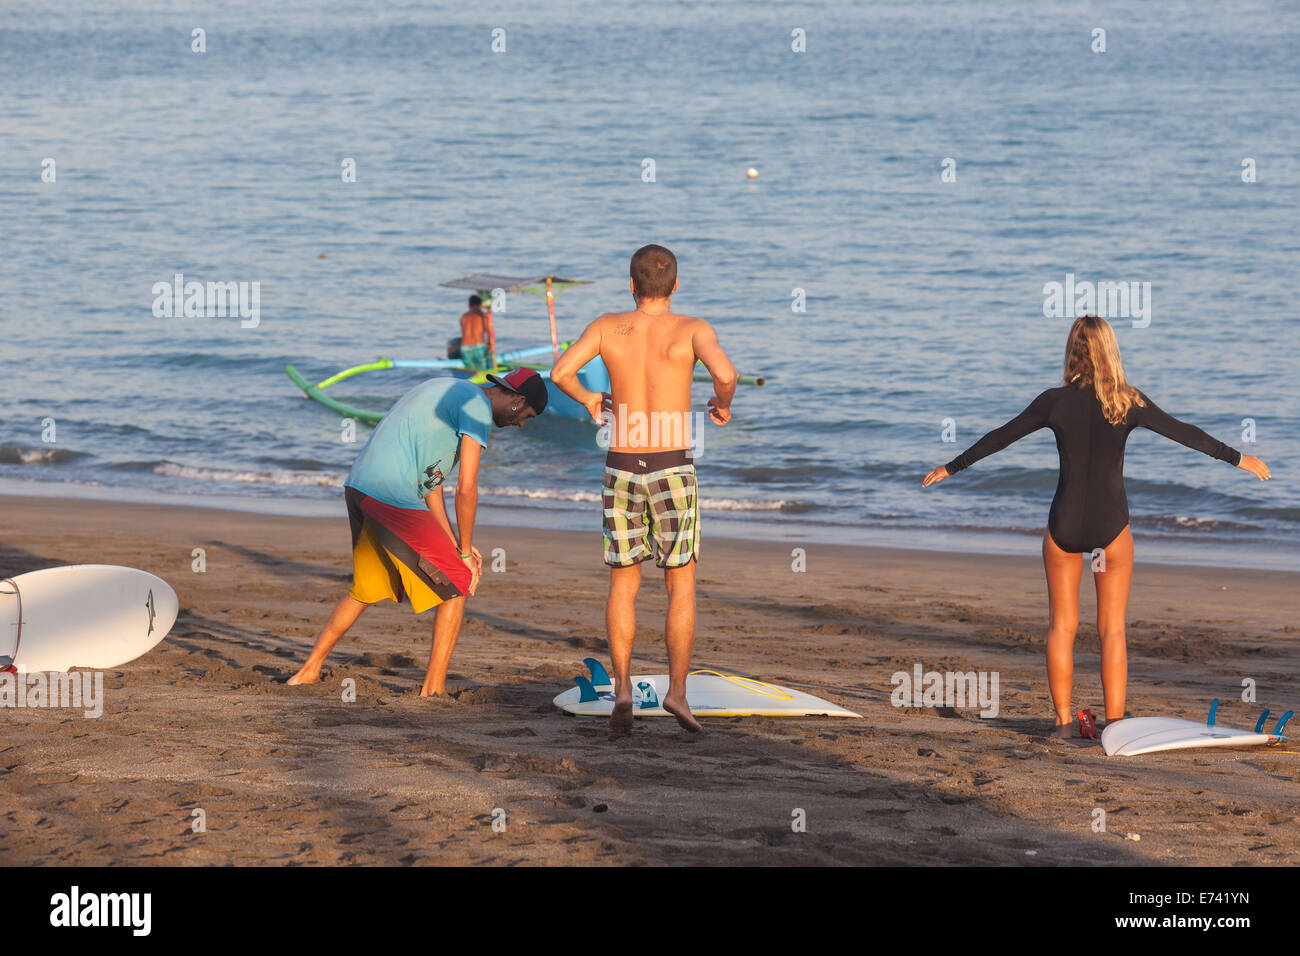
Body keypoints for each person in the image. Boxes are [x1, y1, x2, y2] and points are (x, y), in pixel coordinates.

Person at [923, 314, 1270, 737]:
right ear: (1110, 350)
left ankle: (1065, 723)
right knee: (1112, 630)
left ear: (1072, 351)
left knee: (1061, 627)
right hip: (1110, 529)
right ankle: (1116, 725)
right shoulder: (1127, 401)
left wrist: (952, 466)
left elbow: (1001, 436)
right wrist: (1239, 458)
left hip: (1064, 526)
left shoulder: (1052, 401)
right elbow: (1185, 434)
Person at [551, 244, 738, 733]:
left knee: (624, 583)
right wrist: (721, 403)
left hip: (621, 468)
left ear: (630, 285)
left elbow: (559, 373)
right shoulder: (693, 329)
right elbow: (727, 373)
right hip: (672, 468)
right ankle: (676, 693)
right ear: (676, 285)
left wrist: (591, 398)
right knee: (680, 586)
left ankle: (625, 688)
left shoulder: (607, 326)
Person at [287, 368, 549, 695]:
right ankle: (433, 689)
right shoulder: (477, 408)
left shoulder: (450, 389)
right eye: (527, 415)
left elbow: (431, 488)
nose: (522, 423)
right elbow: (467, 489)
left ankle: (309, 670)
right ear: (518, 400)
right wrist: (465, 555)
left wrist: (456, 544)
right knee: (460, 581)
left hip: (359, 488)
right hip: (391, 496)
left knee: (367, 588)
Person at [459, 295, 490, 369]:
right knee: (483, 373)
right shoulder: (483, 316)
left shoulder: (463, 317)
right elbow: (489, 332)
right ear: (480, 304)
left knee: (472, 372)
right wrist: (489, 345)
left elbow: (464, 333)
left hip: (465, 348)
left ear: (469, 304)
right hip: (478, 346)